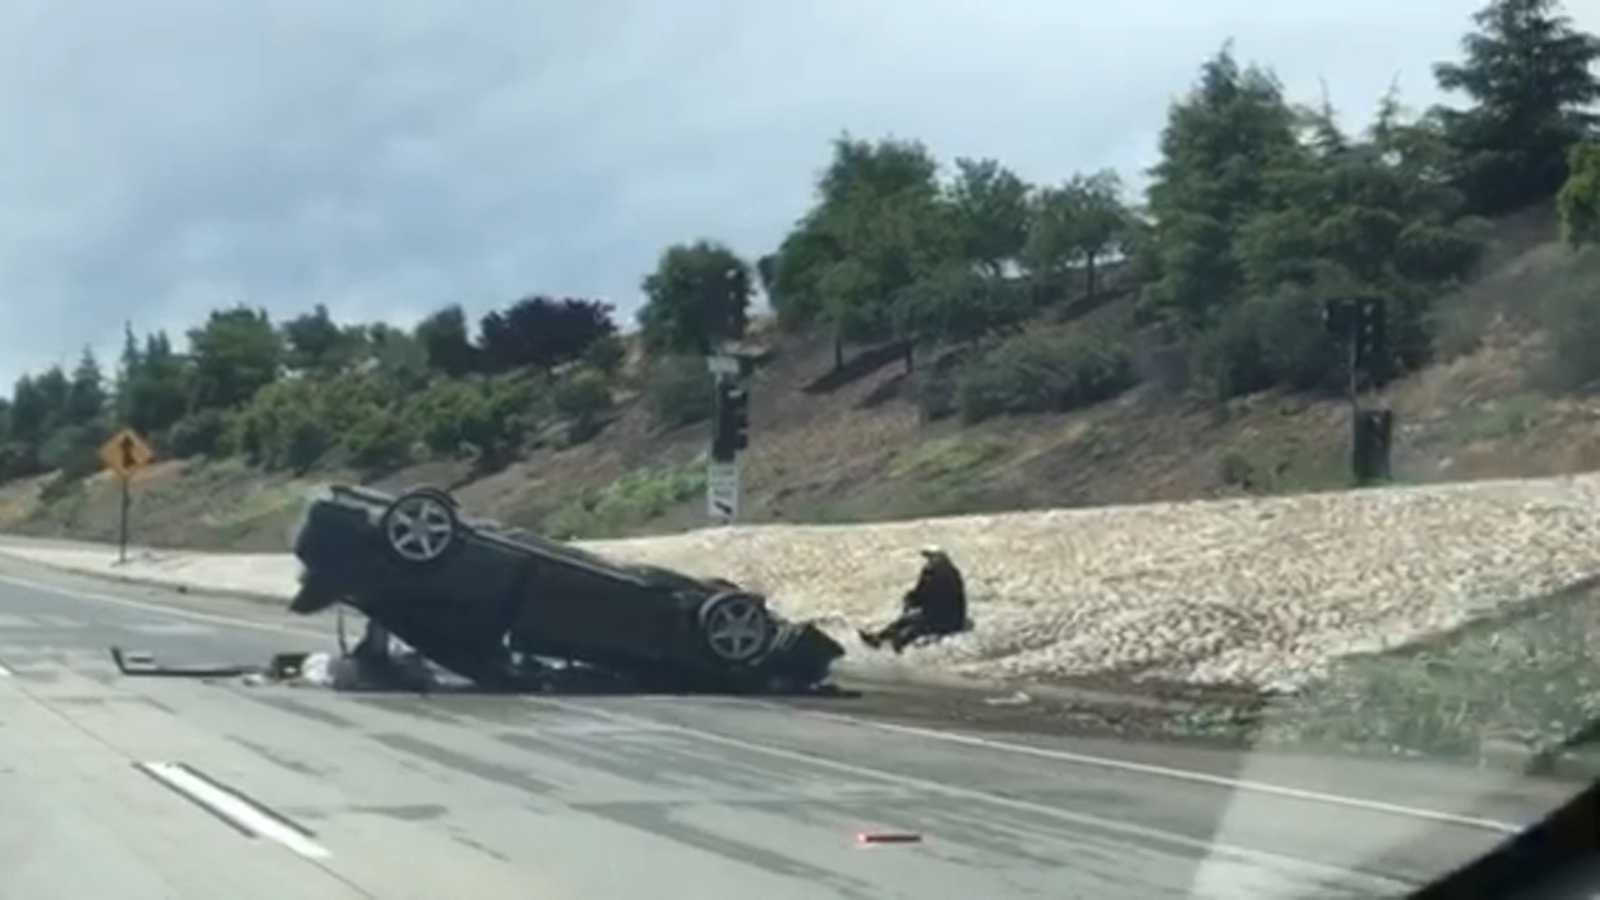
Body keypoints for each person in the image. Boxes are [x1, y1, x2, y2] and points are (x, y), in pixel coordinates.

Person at [859, 546, 969, 653]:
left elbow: (922, 596)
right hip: (943, 616)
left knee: (909, 631)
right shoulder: (950, 572)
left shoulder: (933, 573)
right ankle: (880, 639)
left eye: (930, 558)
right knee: (904, 621)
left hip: (943, 620)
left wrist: (911, 599)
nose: (928, 561)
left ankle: (894, 654)